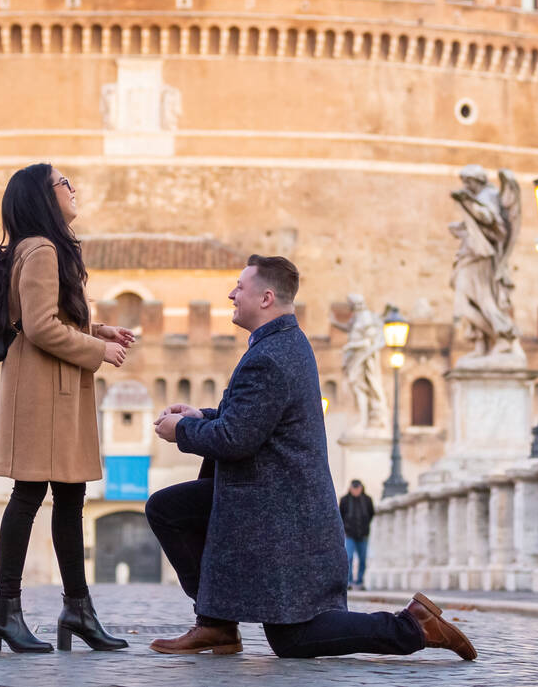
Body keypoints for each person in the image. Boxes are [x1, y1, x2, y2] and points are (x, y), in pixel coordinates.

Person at [144, 255, 477, 661]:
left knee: (295, 640)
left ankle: (413, 625)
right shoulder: (280, 345)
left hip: (282, 519)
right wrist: (202, 416)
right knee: (170, 509)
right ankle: (216, 622)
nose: (231, 294)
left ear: (266, 298)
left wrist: (180, 431)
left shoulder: (270, 356)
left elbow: (235, 439)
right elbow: (252, 420)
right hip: (270, 504)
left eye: (240, 287)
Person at [0, 163, 134, 653]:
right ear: (44, 198)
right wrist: (98, 352)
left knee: (68, 500)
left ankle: (78, 610)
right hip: (45, 391)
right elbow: (41, 328)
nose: (73, 189)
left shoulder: (41, 248)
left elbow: (46, 319)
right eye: (63, 183)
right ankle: (6, 610)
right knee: (29, 497)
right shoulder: (42, 249)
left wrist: (95, 330)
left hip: (53, 387)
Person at [340, 480, 374, 590]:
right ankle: (349, 581)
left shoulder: (367, 500)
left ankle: (360, 581)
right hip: (349, 535)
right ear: (350, 488)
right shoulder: (344, 500)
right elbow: (340, 515)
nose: (355, 490)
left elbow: (371, 514)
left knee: (363, 559)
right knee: (348, 558)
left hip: (363, 535)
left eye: (357, 488)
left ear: (361, 488)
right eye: (353, 488)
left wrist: (365, 527)